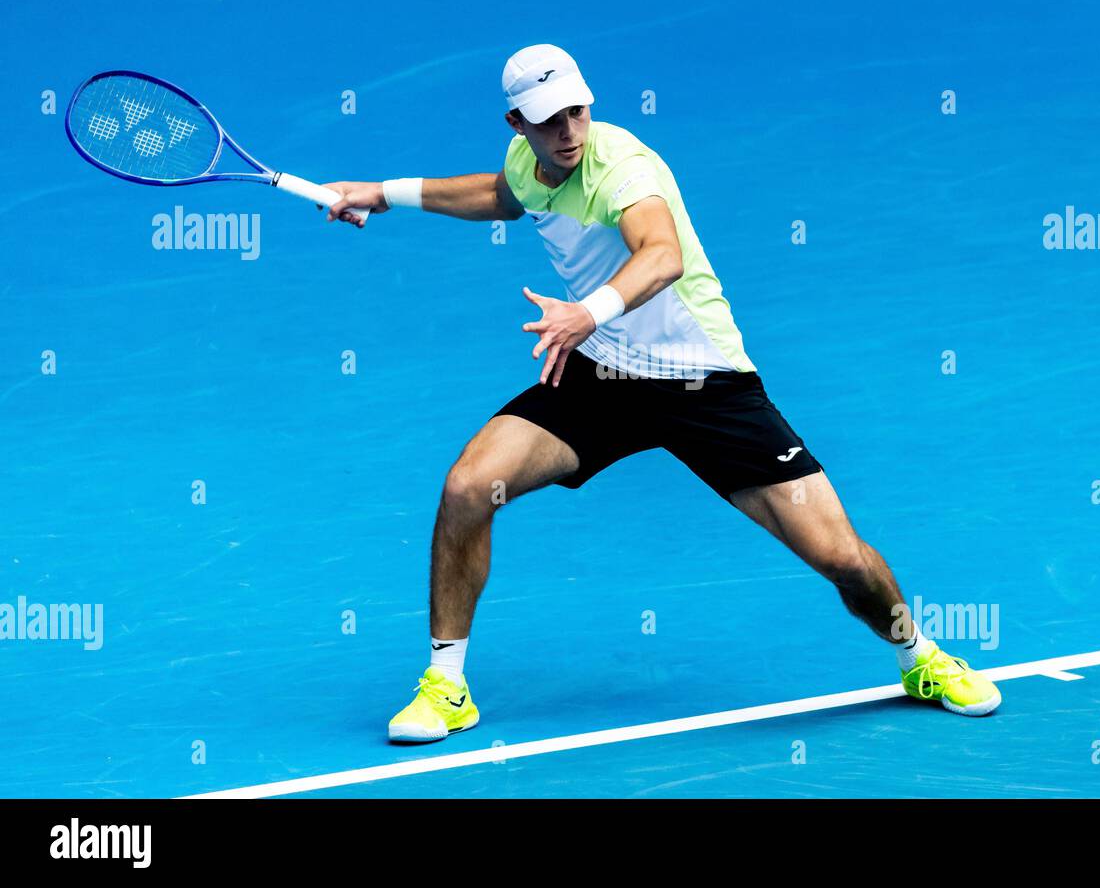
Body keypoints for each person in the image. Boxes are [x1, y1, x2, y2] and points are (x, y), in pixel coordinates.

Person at [324, 44, 1001, 743]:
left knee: (841, 558)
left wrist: (586, 313)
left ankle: (920, 656)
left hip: (703, 383)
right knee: (470, 486)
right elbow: (499, 195)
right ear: (516, 124)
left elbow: (662, 254)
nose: (568, 130)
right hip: (603, 377)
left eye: (577, 111)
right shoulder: (530, 164)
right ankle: (447, 684)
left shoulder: (624, 167)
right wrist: (380, 193)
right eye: (548, 118)